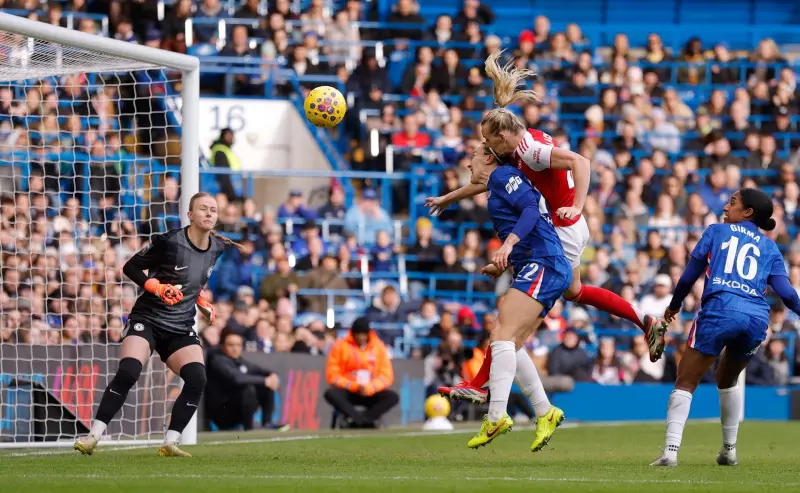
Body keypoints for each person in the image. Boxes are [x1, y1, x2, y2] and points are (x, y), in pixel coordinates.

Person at [430, 50, 667, 402]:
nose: (485, 148)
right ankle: (644, 320)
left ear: (503, 136)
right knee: (570, 294)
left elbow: (581, 162)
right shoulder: (518, 147)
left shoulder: (529, 150)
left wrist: (577, 204)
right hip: (563, 227)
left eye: (488, 140)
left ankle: (483, 386)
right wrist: (448, 198)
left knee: (516, 321)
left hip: (562, 227)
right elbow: (487, 179)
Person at [74, 193, 245, 457]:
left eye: (213, 210)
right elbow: (130, 267)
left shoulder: (216, 248)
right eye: (203, 209)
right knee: (129, 371)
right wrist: (156, 286)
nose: (210, 214)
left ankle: (170, 442)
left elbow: (194, 282)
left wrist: (202, 302)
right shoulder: (169, 241)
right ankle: (93, 436)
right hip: (148, 319)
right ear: (190, 215)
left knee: (197, 378)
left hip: (180, 325)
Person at [651, 188, 800, 467]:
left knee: (686, 379)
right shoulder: (770, 247)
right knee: (727, 379)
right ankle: (729, 450)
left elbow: (687, 277)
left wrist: (673, 306)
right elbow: (787, 294)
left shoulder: (716, 231)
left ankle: (670, 452)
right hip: (757, 319)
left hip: (720, 310)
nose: (725, 205)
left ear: (748, 212)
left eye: (733, 202)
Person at [460, 141, 570, 451]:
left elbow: (530, 210)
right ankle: (545, 411)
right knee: (508, 340)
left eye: (473, 157)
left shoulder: (501, 176)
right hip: (537, 263)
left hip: (543, 262)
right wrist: (506, 262)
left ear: (489, 158)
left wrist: (507, 245)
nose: (469, 165)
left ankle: (496, 415)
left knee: (501, 334)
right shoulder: (497, 183)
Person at [324, 317, 398, 428]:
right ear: (353, 333)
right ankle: (358, 419)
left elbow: (386, 376)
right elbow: (332, 375)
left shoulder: (378, 347)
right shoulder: (341, 346)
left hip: (371, 391)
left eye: (363, 334)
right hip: (350, 390)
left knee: (392, 397)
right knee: (331, 394)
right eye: (358, 334)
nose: (361, 337)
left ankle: (365, 419)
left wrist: (371, 387)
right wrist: (354, 386)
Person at [205, 330, 288, 431]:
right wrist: (265, 380)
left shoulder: (240, 361)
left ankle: (267, 423)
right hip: (222, 414)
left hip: (236, 412)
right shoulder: (217, 361)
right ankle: (248, 428)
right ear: (223, 345)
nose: (235, 348)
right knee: (248, 388)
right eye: (231, 345)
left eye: (238, 345)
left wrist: (272, 375)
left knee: (266, 385)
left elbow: (259, 369)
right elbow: (237, 378)